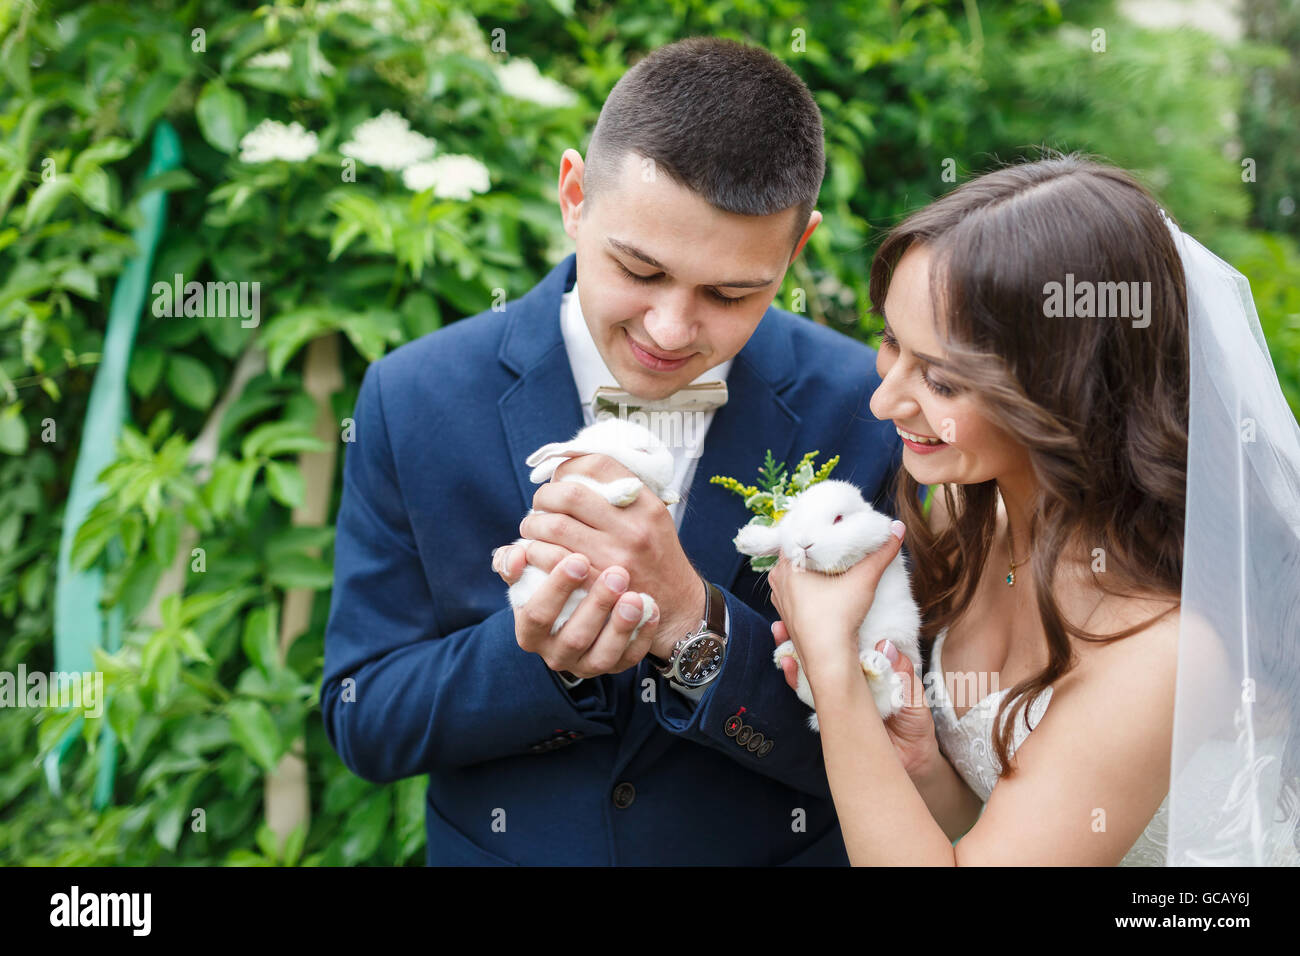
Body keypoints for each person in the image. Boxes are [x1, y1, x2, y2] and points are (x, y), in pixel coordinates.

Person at [321, 36, 902, 865]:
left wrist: (700, 631)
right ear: (573, 196)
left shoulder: (866, 407)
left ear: (796, 249)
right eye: (638, 268)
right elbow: (363, 716)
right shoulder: (413, 396)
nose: (670, 330)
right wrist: (541, 660)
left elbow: (907, 752)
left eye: (730, 293)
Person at [765, 154, 1300, 866]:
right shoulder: (967, 506)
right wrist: (922, 759)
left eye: (943, 379)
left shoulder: (1161, 645)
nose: (883, 400)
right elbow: (994, 811)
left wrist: (833, 668)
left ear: (1066, 388)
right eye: (892, 342)